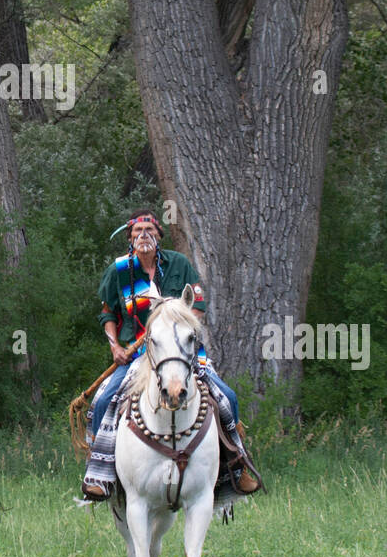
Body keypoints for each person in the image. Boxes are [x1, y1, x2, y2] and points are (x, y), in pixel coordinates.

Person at [81, 208, 260, 499]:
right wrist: (115, 347)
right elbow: (107, 313)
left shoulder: (179, 265)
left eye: (150, 231)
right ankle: (100, 475)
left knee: (228, 397)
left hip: (183, 353)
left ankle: (236, 469)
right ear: (129, 238)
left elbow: (198, 305)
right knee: (104, 400)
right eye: (138, 232)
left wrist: (179, 330)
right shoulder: (118, 271)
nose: (144, 236)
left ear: (159, 236)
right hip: (137, 354)